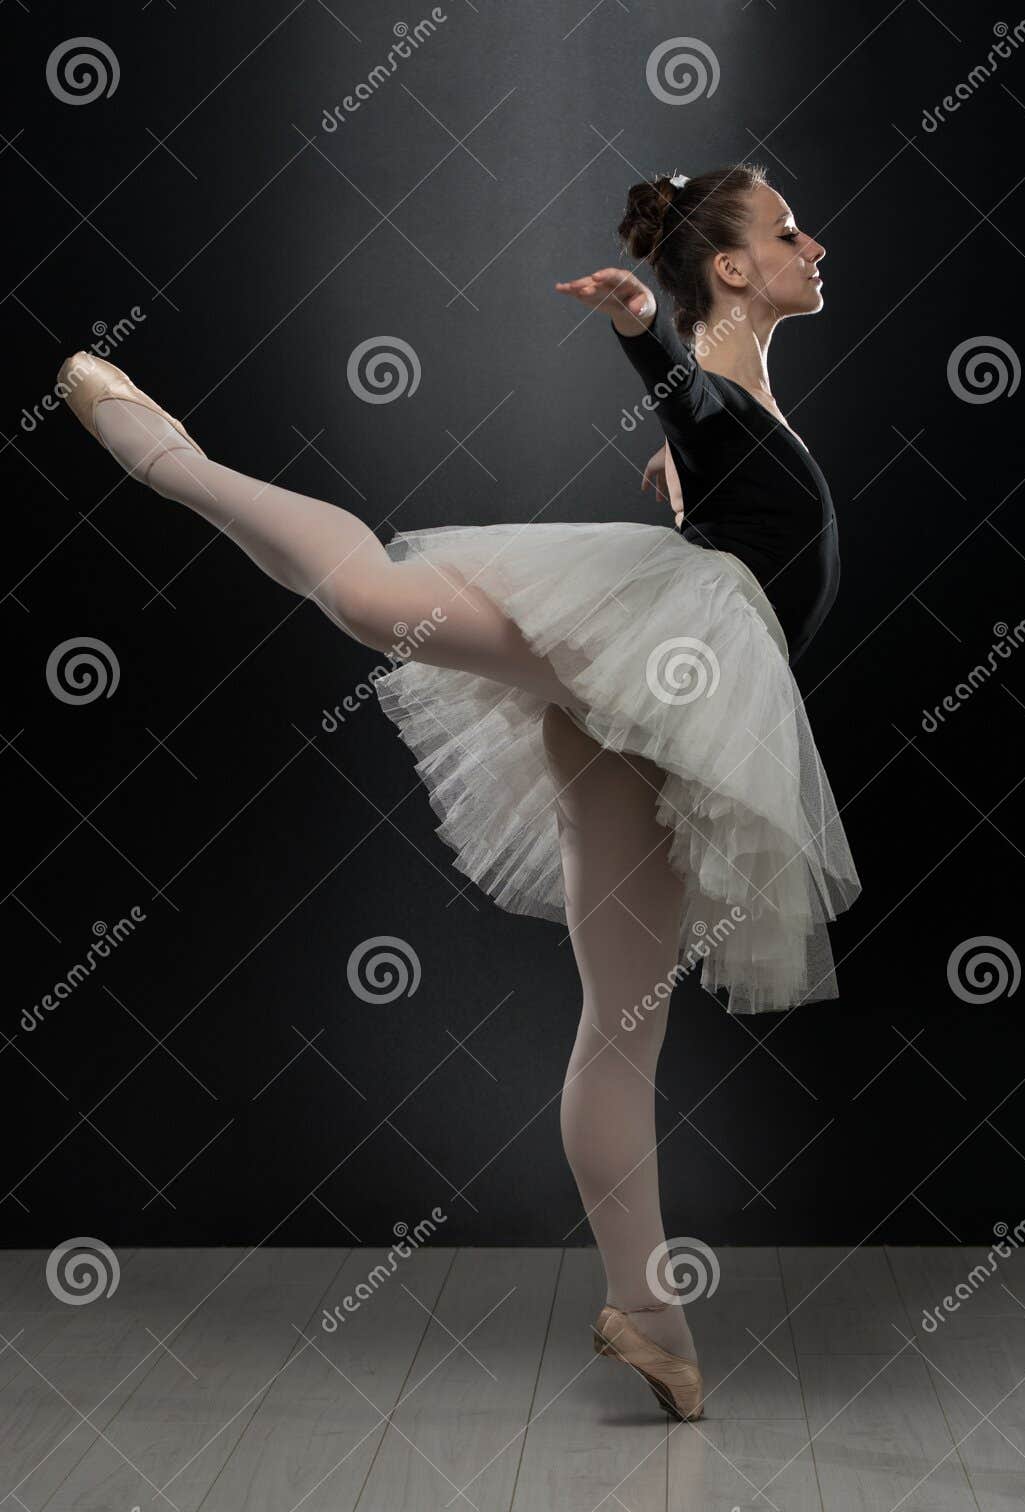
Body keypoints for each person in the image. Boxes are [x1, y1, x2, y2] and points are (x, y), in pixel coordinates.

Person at [58, 163, 860, 1424]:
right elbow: (696, 392)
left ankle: (648, 1314)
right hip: (666, 648)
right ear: (732, 270)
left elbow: (721, 420)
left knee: (621, 1024)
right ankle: (172, 460)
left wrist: (690, 451)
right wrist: (648, 339)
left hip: (663, 707)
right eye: (786, 230)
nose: (817, 242)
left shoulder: (754, 393)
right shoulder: (709, 379)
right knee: (379, 597)